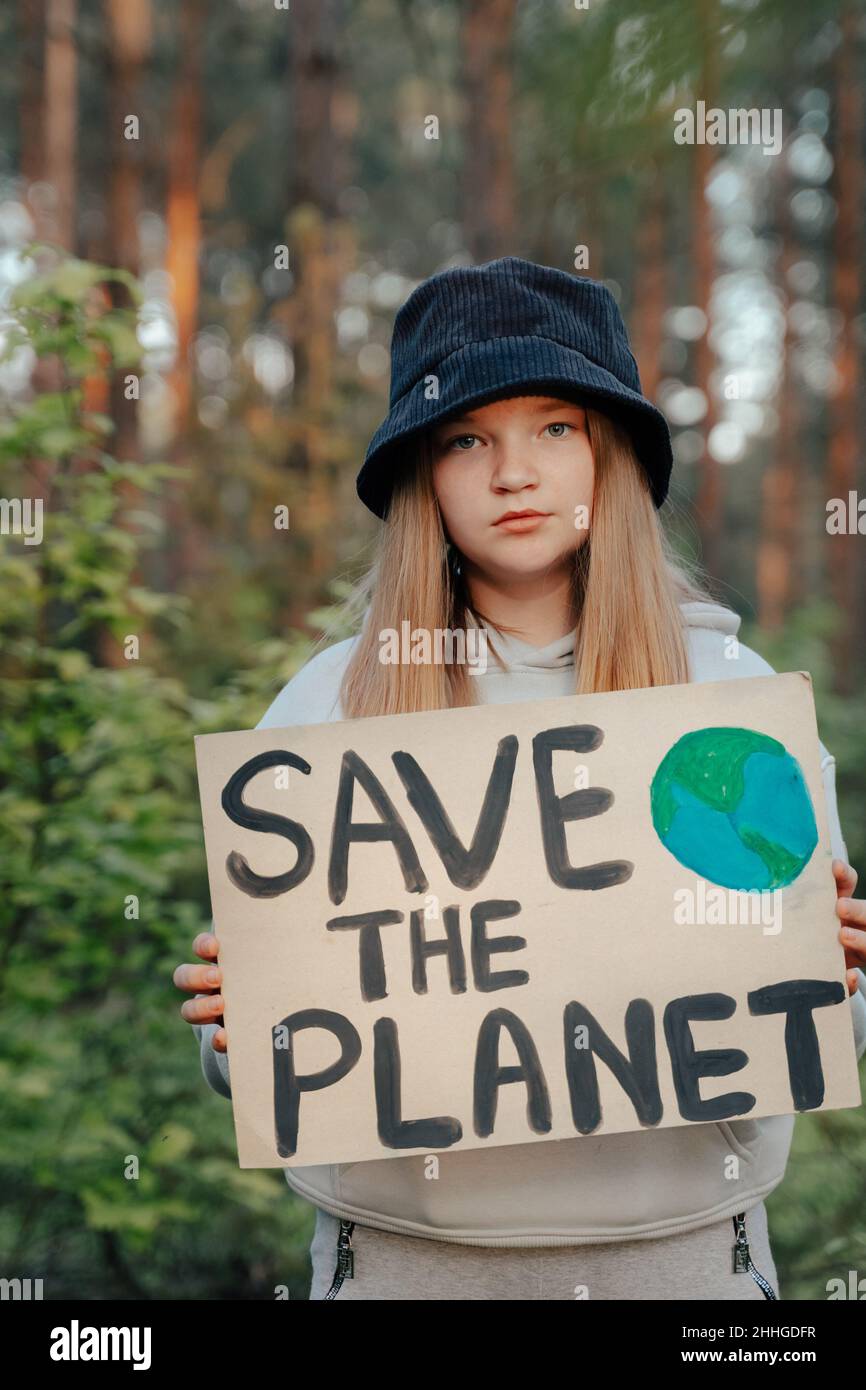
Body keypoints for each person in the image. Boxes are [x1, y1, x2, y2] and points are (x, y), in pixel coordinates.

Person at [174, 256, 866, 1301]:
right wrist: (239, 1019)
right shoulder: (327, 709)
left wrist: (840, 971)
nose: (512, 473)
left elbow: (820, 1036)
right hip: (401, 1272)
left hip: (687, 1272)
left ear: (612, 457)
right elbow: (265, 1070)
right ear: (421, 476)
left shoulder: (727, 696)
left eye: (554, 427)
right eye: (466, 439)